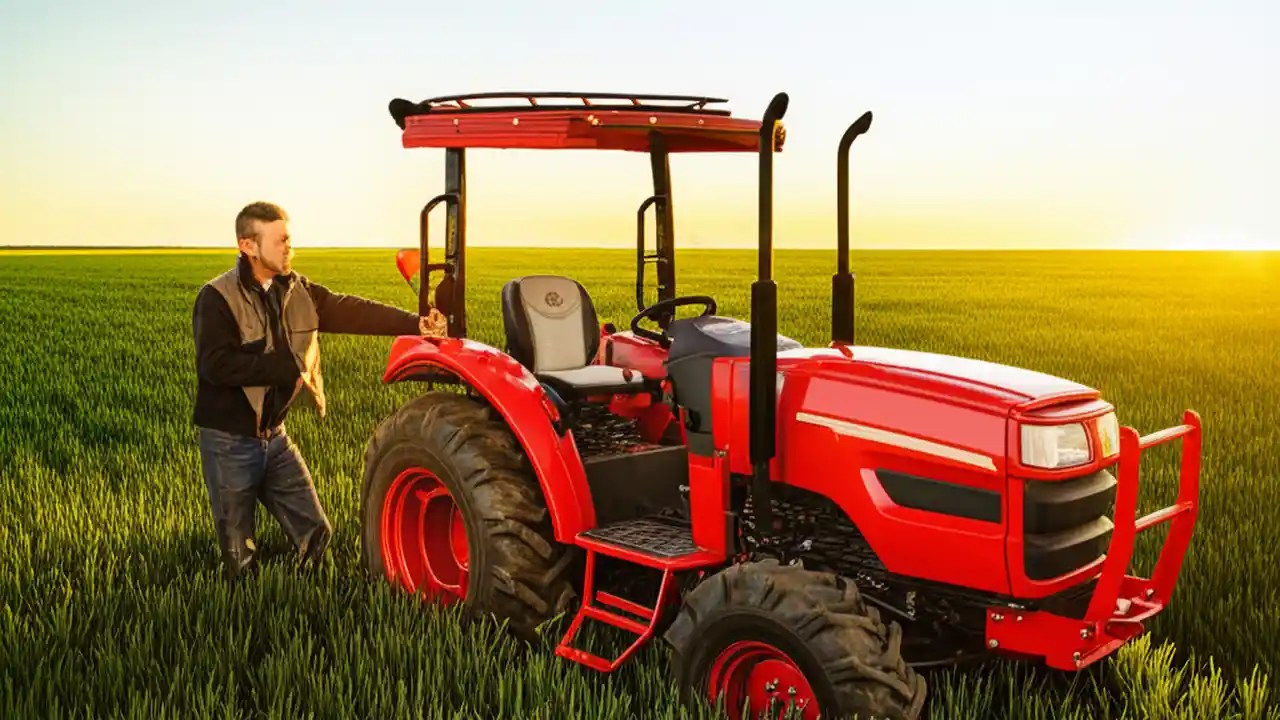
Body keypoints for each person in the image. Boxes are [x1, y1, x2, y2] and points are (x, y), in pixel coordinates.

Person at [192, 201, 447, 580]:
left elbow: (350, 310)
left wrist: (416, 324)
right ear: (248, 245)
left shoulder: (296, 290)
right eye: (279, 241)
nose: (288, 248)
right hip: (228, 442)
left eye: (289, 240)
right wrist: (286, 366)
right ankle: (246, 615)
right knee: (239, 552)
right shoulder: (216, 297)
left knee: (317, 536)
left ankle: (316, 598)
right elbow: (215, 366)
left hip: (274, 439)